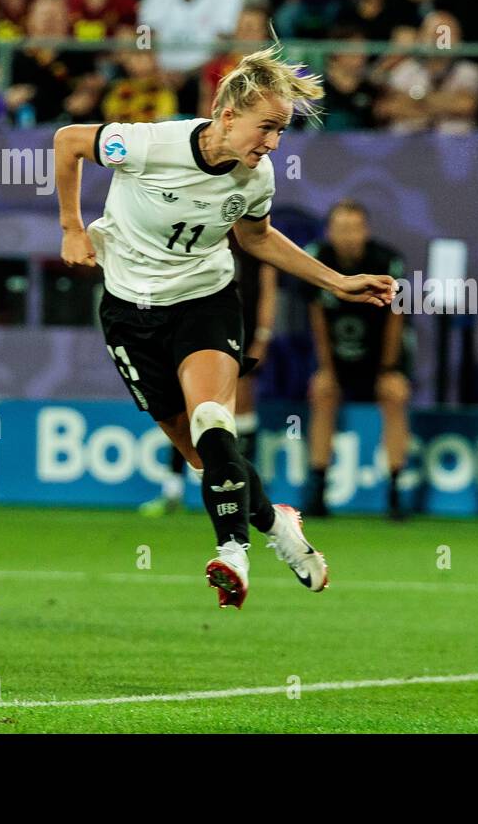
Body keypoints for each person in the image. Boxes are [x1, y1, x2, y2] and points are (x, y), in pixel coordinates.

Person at [54, 44, 397, 609]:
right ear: (229, 115)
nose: (273, 144)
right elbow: (68, 142)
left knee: (214, 417)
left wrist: (336, 281)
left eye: (282, 131)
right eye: (268, 128)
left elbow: (255, 238)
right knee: (202, 458)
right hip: (128, 311)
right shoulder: (149, 144)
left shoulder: (256, 179)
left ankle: (231, 552)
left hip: (204, 302)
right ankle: (276, 522)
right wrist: (72, 226)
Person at [139, 236, 277, 517]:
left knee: (242, 402)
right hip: (198, 329)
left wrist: (263, 334)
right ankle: (173, 489)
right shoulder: (202, 232)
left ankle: (244, 488)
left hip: (241, 329)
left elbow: (268, 286)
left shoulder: (255, 238)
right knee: (190, 407)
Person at [304, 200, 410, 519]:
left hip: (379, 358)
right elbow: (317, 318)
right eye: (341, 229)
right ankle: (319, 490)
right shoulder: (317, 259)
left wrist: (389, 369)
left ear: (365, 231)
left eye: (354, 229)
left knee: (395, 393)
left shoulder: (387, 261)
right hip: (337, 358)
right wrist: (327, 369)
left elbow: (395, 319)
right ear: (330, 232)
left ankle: (394, 492)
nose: (348, 236)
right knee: (322, 391)